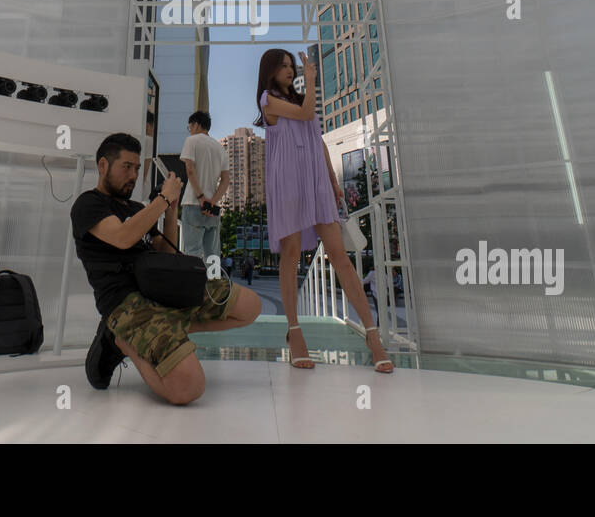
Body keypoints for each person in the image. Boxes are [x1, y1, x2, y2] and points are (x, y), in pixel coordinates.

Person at [72, 133, 262, 405]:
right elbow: (123, 237)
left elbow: (166, 252)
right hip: (125, 302)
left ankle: (168, 327)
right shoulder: (88, 204)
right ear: (103, 166)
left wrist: (171, 211)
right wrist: (162, 199)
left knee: (250, 306)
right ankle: (120, 340)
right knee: (188, 388)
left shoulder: (138, 208)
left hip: (162, 289)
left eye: (137, 168)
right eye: (126, 167)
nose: (133, 175)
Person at [256, 49, 393, 373]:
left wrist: (332, 183)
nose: (291, 71)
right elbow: (304, 116)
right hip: (288, 181)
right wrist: (313, 79)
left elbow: (318, 141)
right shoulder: (267, 99)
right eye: (284, 66)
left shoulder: (301, 102)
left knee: (340, 255)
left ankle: (372, 335)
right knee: (290, 256)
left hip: (315, 181)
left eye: (293, 66)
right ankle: (294, 331)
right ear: (270, 71)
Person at [179, 111, 230, 264]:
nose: (190, 130)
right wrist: (212, 201)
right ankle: (213, 285)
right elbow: (225, 180)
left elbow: (190, 169)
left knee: (192, 252)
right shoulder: (220, 148)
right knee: (213, 254)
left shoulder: (192, 141)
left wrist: (201, 197)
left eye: (190, 127)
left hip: (193, 203)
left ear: (196, 124)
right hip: (213, 209)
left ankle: (193, 286)